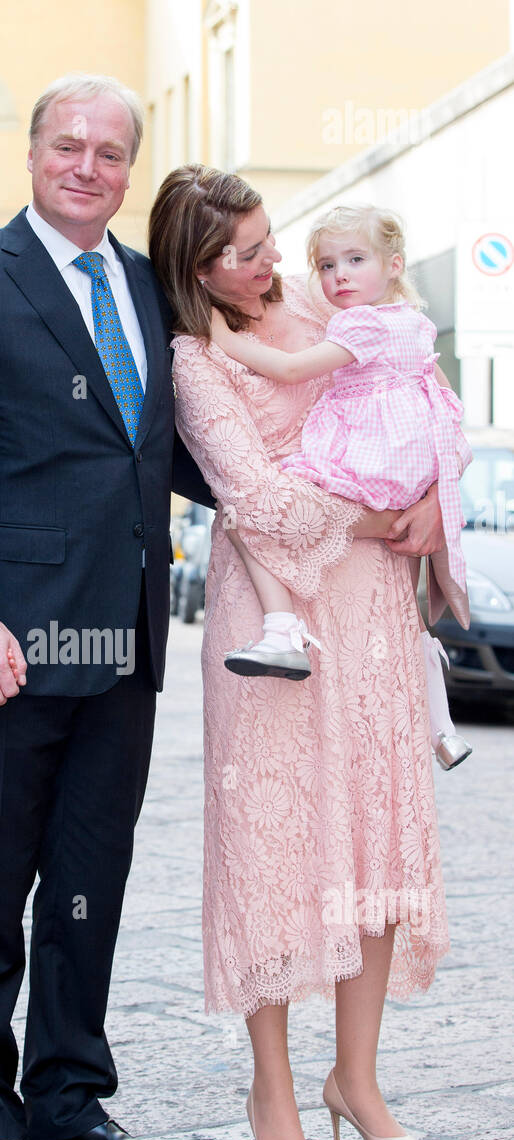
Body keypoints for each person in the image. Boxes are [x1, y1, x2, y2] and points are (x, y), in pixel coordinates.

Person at [0, 73, 213, 1140]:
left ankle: (67, 1101)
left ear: (130, 168)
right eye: (67, 145)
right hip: (3, 653)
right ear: (31, 154)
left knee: (89, 878)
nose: (87, 165)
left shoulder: (144, 286)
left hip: (119, 643)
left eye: (109, 151)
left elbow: (170, 451)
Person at [149, 166, 465, 1140]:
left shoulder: (333, 299)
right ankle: (273, 1083)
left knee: (372, 840)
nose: (272, 262)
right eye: (244, 253)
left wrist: (434, 502)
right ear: (195, 266)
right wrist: (383, 518)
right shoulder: (196, 358)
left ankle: (356, 1077)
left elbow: (426, 400)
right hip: (272, 613)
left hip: (375, 607)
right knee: (273, 847)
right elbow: (256, 501)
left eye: (268, 238)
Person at [210, 204, 471, 770]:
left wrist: (217, 336)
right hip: (411, 459)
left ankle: (281, 627)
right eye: (327, 265)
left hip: (375, 458)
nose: (338, 277)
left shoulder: (361, 323)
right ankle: (442, 723)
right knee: (408, 605)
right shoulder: (413, 322)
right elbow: (447, 403)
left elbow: (290, 370)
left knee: (253, 510)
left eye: (355, 260)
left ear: (395, 263)